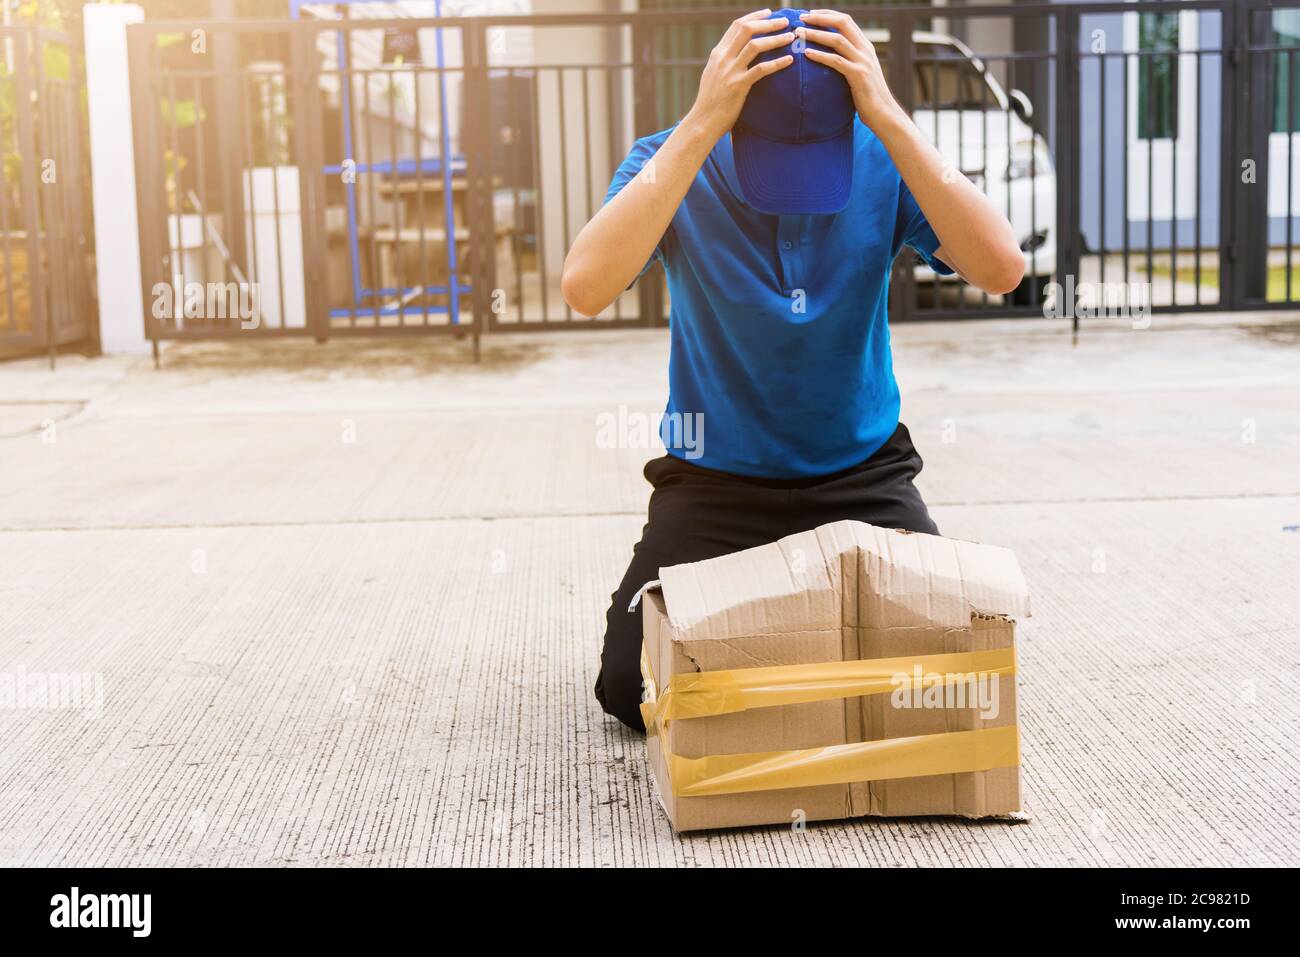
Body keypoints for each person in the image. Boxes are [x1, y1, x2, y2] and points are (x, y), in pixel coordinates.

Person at [562, 7, 1026, 732]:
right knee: (630, 685)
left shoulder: (880, 158)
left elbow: (1003, 267)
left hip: (862, 474)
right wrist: (700, 125)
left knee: (946, 667)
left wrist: (889, 116)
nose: (797, 186)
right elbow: (585, 288)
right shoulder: (670, 160)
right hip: (718, 483)